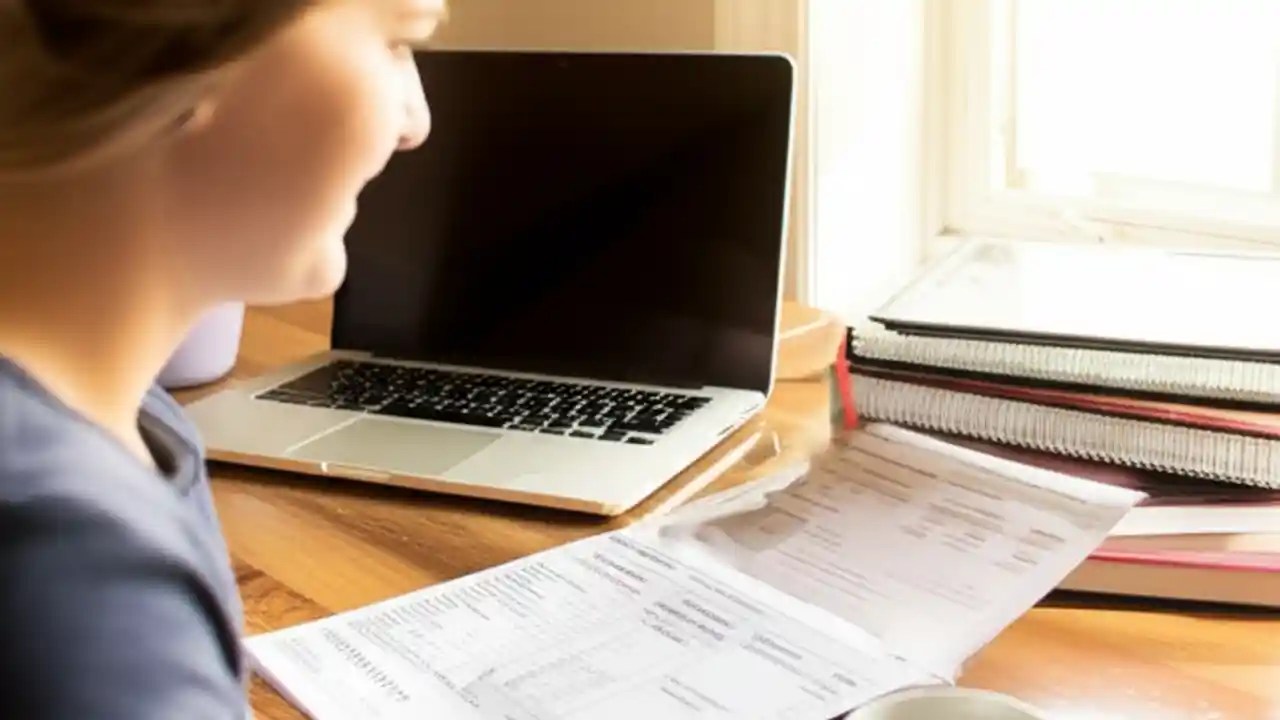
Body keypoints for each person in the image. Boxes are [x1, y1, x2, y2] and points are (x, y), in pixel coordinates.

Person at [0, 1, 439, 716]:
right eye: (397, 40)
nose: (415, 122)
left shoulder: (136, 422)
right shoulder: (74, 587)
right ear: (184, 31)